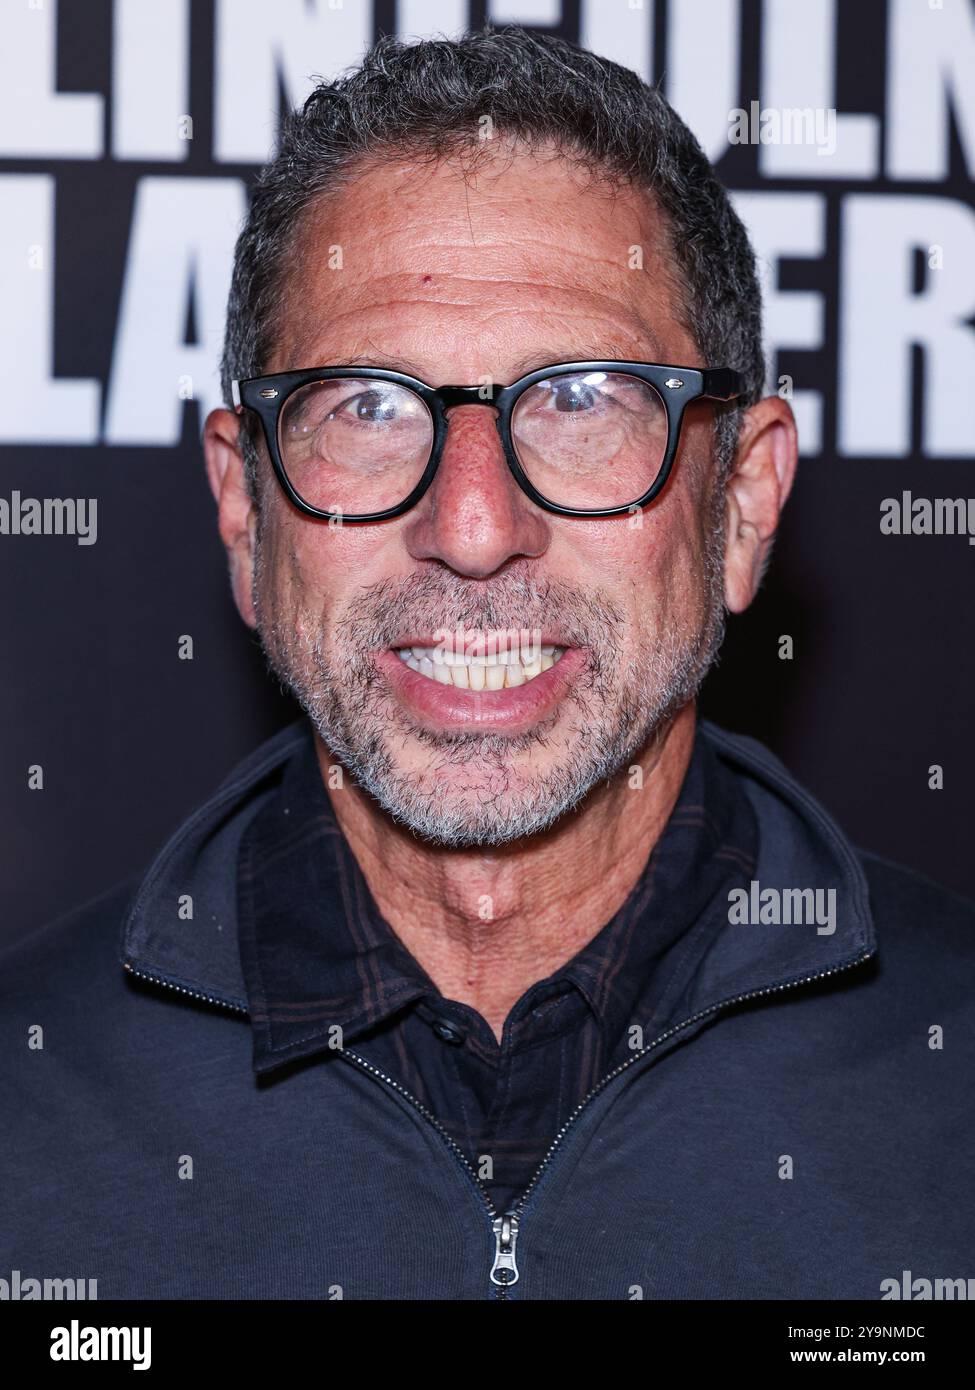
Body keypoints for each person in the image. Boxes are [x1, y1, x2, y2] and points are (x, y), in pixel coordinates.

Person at [3, 27, 973, 1302]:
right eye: (367, 405)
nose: (470, 528)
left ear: (740, 502)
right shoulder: (29, 1110)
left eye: (581, 400)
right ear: (245, 514)